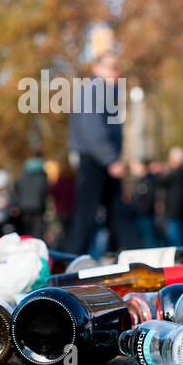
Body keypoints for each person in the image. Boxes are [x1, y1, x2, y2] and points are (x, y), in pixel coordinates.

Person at [66, 52, 139, 255]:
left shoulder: (106, 92)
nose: (117, 71)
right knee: (87, 215)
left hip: (102, 159)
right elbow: (92, 130)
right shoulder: (94, 90)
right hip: (95, 160)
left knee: (117, 213)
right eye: (112, 66)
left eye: (118, 66)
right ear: (96, 68)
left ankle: (137, 257)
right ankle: (71, 262)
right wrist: (110, 159)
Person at [161, 146, 183, 247]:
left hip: (175, 212)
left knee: (176, 241)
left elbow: (162, 181)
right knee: (182, 239)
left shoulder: (175, 174)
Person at [14, 157, 49, 238]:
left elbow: (17, 190)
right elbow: (44, 192)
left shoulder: (22, 177)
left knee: (26, 231)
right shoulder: (42, 177)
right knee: (37, 232)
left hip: (24, 207)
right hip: (37, 207)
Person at [127, 159, 158, 247]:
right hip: (140, 215)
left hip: (145, 215)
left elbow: (148, 199)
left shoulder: (147, 180)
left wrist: (142, 210)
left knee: (148, 240)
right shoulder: (141, 180)